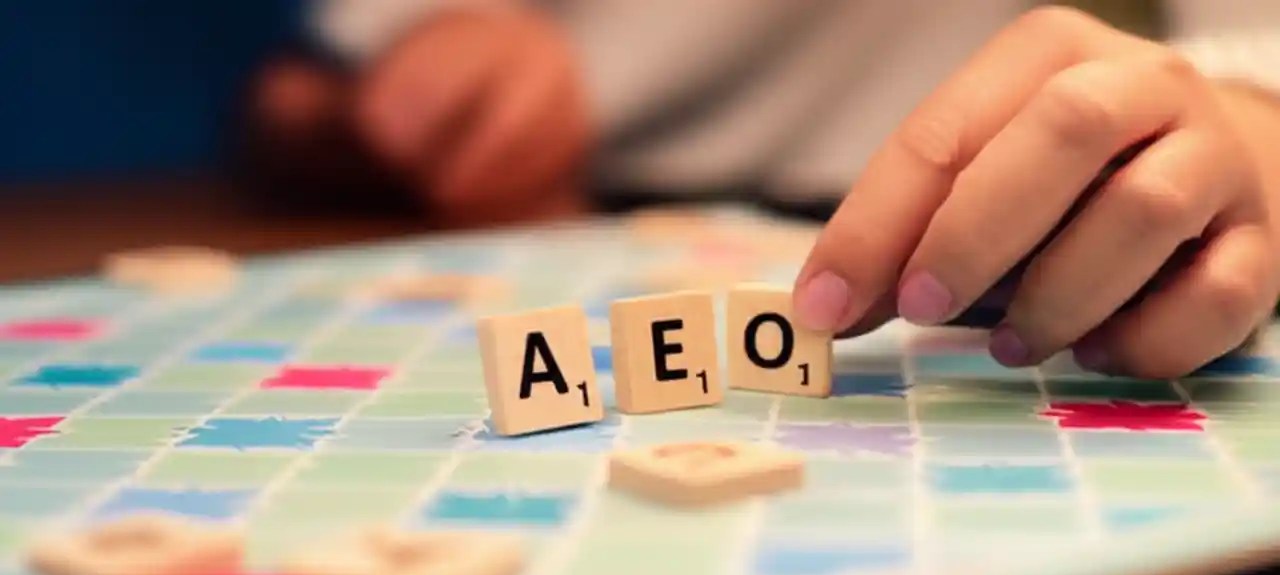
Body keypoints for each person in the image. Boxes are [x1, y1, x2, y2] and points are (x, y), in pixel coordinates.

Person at [247, 1, 1280, 378]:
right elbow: (287, 102)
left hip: (992, 247)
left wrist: (1251, 119)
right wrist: (389, 92)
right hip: (555, 219)